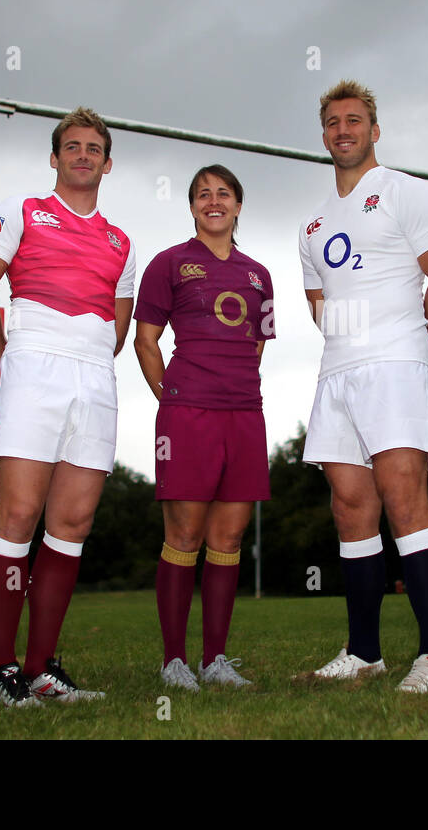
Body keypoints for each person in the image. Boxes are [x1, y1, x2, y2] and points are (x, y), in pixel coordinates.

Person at [0, 106, 135, 708]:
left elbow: (115, 330)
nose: (83, 154)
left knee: (73, 523)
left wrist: (82, 360)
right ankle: (0, 672)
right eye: (72, 146)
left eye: (94, 148)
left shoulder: (122, 243)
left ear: (108, 163)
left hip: (94, 373)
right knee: (20, 514)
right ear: (55, 157)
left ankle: (41, 671)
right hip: (34, 359)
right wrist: (10, 358)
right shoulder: (20, 211)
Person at [298, 80, 428, 693]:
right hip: (337, 374)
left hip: (396, 365)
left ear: (375, 130)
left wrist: (418, 349)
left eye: (355, 120)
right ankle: (364, 651)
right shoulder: (312, 222)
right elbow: (317, 300)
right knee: (350, 508)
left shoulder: (407, 193)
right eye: (333, 121)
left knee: (404, 498)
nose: (343, 129)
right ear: (323, 135)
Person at [133, 165, 275, 691]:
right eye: (202, 195)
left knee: (229, 535)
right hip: (187, 414)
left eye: (223, 194)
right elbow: (145, 342)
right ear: (191, 206)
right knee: (184, 534)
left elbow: (259, 344)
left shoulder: (260, 273)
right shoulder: (167, 263)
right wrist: (173, 398)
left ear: (238, 205)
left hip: (244, 413)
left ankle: (215, 661)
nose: (213, 202)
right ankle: (175, 661)